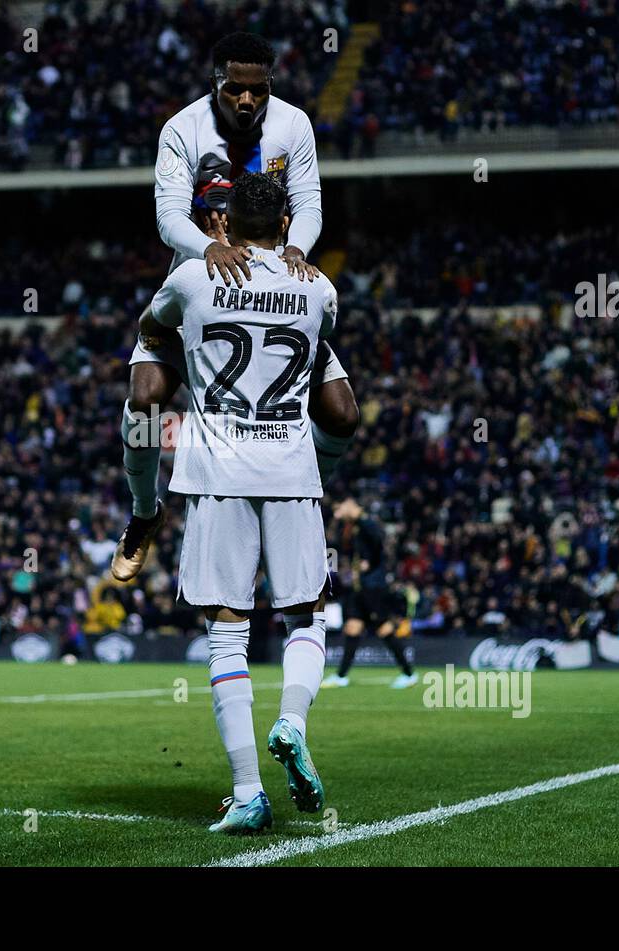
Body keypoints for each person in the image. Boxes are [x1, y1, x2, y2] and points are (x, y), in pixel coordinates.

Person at [111, 31, 358, 584]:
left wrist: (298, 248)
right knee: (147, 400)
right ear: (215, 83)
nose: (247, 101)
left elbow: (311, 203)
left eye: (258, 90)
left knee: (342, 415)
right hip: (203, 284)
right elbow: (169, 215)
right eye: (234, 90)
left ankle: (302, 486)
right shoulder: (183, 128)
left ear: (269, 85)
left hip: (276, 284)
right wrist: (211, 249)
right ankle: (144, 514)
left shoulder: (293, 124)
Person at [148, 172, 338, 834]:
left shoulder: (194, 279)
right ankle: (291, 720)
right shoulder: (319, 289)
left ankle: (249, 792)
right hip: (291, 468)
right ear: (287, 225)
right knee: (307, 618)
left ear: (221, 222)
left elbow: (151, 330)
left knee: (226, 632)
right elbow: (331, 389)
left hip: (217, 472)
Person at [320, 499, 418, 689]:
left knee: (383, 628)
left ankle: (409, 674)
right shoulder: (354, 527)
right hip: (360, 587)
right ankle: (341, 676)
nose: (337, 514)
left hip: (373, 586)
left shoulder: (367, 523)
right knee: (352, 627)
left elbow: (379, 541)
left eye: (339, 509)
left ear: (349, 504)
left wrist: (369, 562)